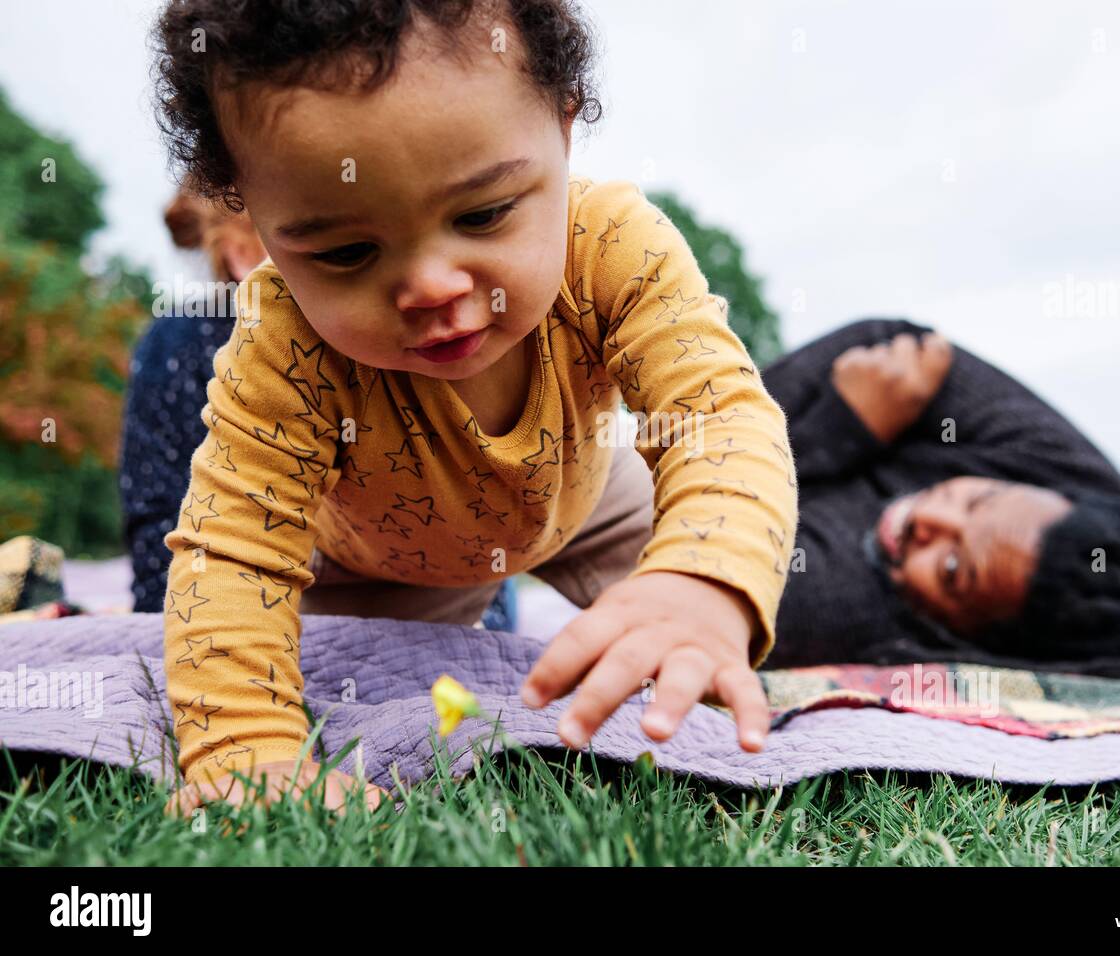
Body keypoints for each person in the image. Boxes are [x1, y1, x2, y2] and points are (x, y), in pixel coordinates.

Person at [151, 0, 798, 812]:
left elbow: (720, 416)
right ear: (251, 212)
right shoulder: (281, 343)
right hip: (387, 564)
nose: (431, 287)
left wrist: (705, 579)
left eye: (483, 214)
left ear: (562, 129)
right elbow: (232, 551)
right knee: (357, 689)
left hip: (594, 498)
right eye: (347, 252)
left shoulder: (611, 248)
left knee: (707, 644)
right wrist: (247, 749)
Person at [760, 318, 1120, 681]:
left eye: (953, 568)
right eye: (975, 499)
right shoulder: (1065, 479)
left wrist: (836, 430)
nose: (928, 516)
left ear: (974, 637)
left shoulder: (841, 608)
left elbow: (685, 522)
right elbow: (892, 344)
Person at [120, 186, 518, 630]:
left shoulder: (397, 332)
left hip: (446, 584)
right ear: (239, 255)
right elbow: (162, 525)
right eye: (341, 253)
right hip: (264, 603)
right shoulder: (185, 342)